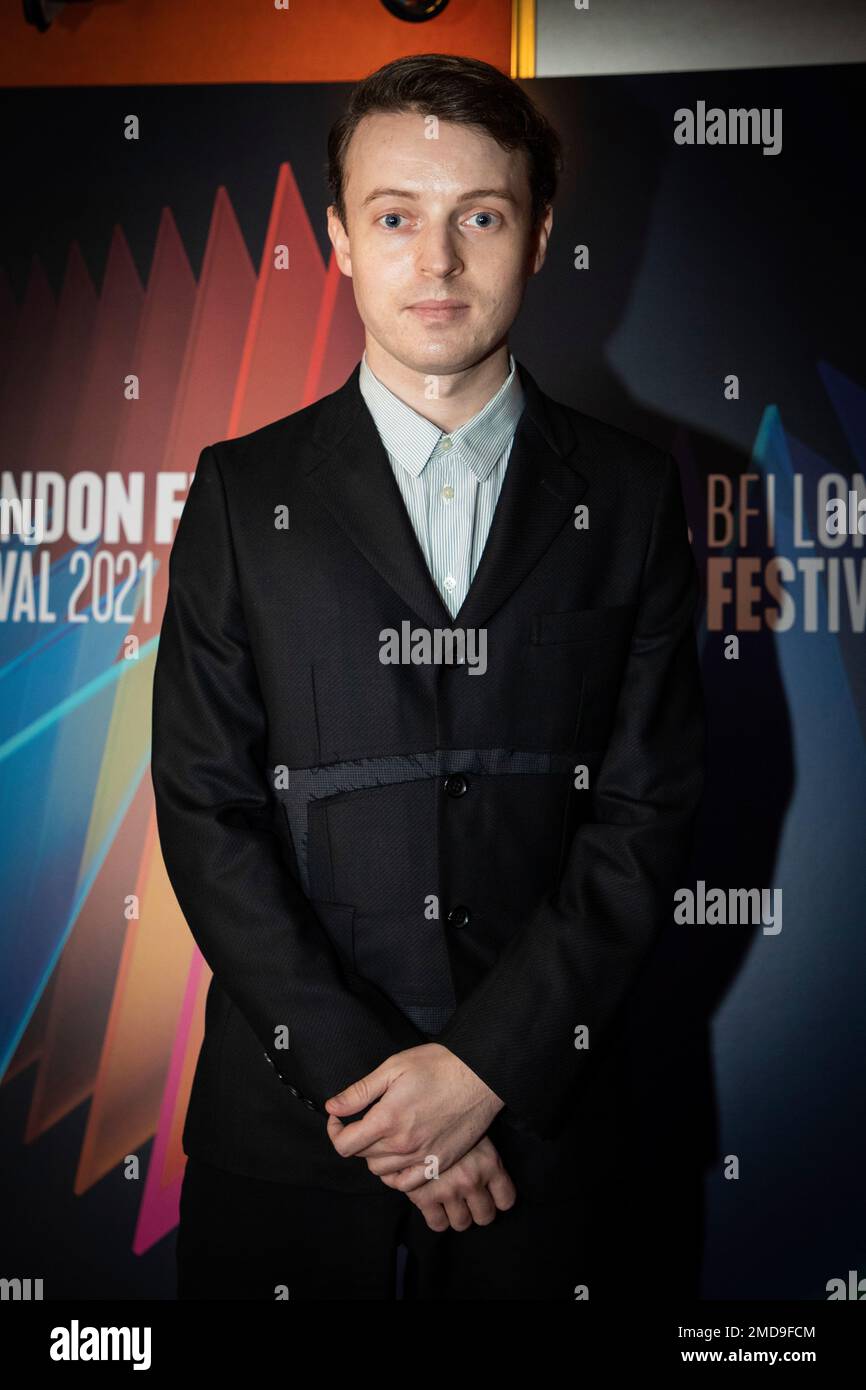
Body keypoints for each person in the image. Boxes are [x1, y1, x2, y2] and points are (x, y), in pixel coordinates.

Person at [152, 52, 706, 1301]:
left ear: (540, 232)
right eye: (396, 217)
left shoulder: (624, 499)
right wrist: (381, 1094)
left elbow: (644, 810)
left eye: (481, 217)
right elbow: (204, 807)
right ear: (339, 238)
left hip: (549, 1150)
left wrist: (483, 1072)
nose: (437, 261)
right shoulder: (243, 495)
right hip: (291, 1143)